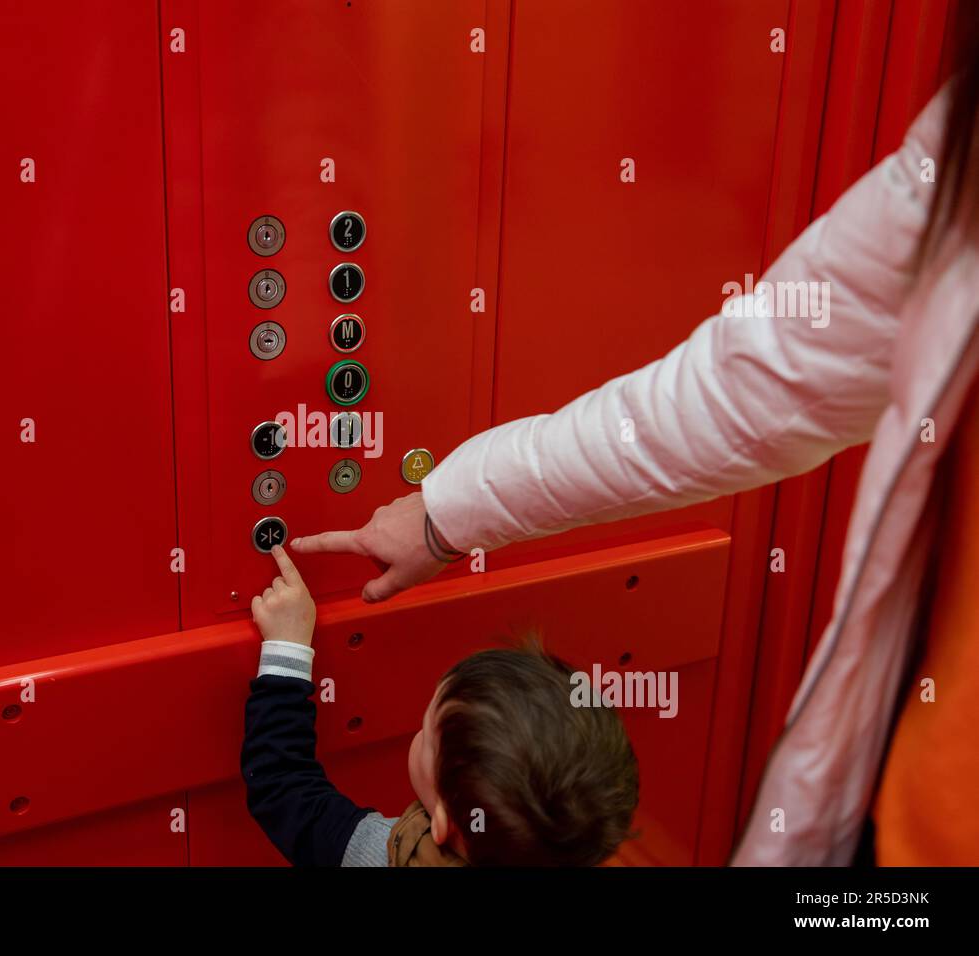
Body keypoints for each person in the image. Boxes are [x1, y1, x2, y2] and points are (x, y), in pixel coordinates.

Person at [293, 16, 979, 867]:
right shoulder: (956, 174)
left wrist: (310, 632)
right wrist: (445, 512)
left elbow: (284, 792)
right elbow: (733, 395)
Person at [241, 545, 638, 866]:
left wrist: (287, 646)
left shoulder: (384, 856)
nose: (420, 724)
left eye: (427, 733)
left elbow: (282, 783)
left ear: (444, 824)